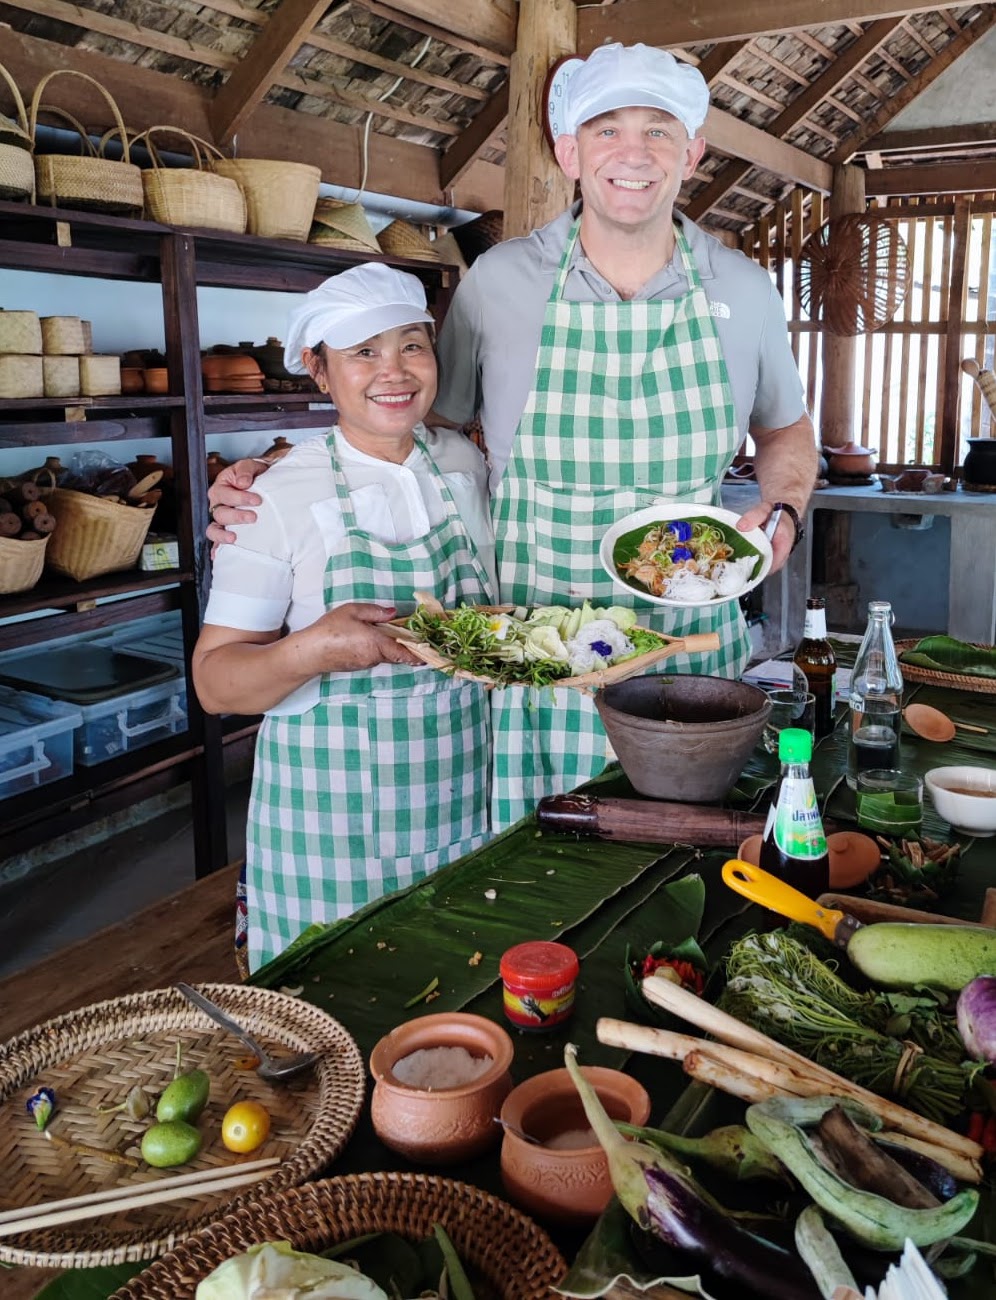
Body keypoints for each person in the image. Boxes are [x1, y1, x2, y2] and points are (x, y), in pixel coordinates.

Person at [207, 43, 817, 832]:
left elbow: (786, 428)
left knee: (682, 852)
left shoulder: (743, 286)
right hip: (538, 649)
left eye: (659, 131)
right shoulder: (499, 283)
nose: (633, 155)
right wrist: (289, 469)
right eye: (605, 130)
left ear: (693, 151)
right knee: (546, 859)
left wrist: (786, 513)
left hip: (686, 639)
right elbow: (413, 417)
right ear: (568, 151)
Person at [192, 264, 496, 972]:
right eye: (363, 352)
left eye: (411, 346)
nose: (393, 371)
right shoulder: (275, 495)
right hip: (332, 830)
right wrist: (313, 649)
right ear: (319, 372)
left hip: (468, 799)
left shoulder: (465, 466)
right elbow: (215, 683)